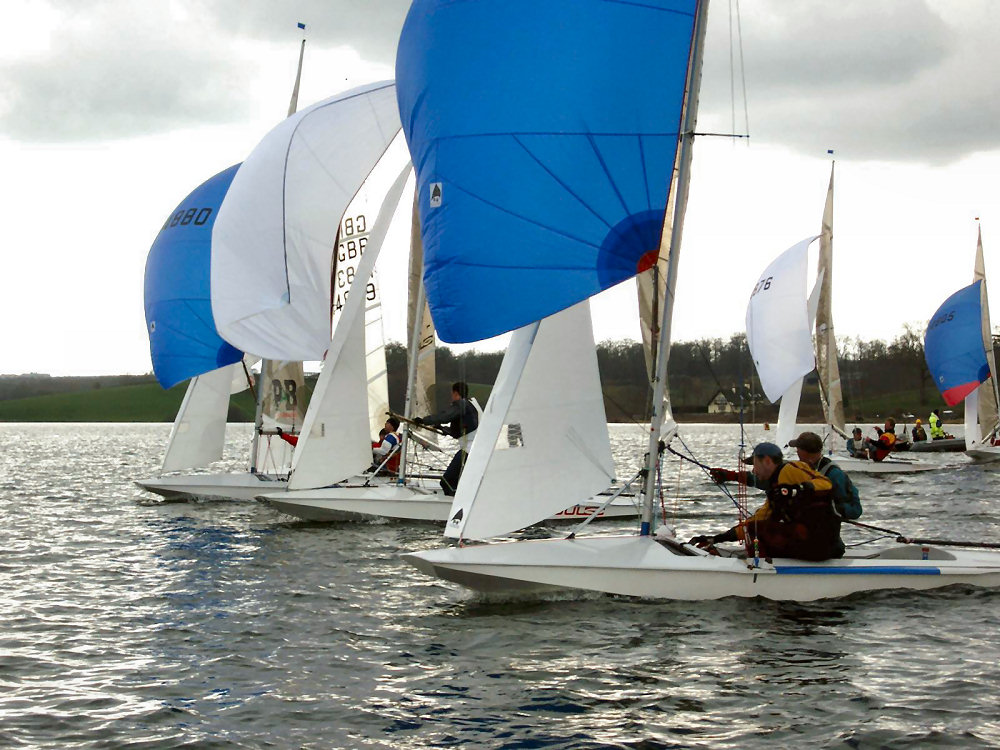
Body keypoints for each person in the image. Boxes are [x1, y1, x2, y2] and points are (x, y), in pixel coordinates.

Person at [700, 441, 840, 560]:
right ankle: (759, 564)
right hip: (807, 544)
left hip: (821, 543)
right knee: (755, 527)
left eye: (754, 465)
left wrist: (795, 489)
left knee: (755, 530)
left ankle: (758, 571)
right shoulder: (775, 491)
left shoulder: (790, 469)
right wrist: (716, 538)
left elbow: (826, 484)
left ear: (767, 461)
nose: (754, 471)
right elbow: (756, 520)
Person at [788, 431, 863, 557]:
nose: (796, 451)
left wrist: (831, 508)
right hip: (804, 537)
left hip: (828, 544)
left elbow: (856, 510)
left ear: (806, 453)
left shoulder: (834, 474)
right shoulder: (802, 470)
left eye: (798, 449)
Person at [413, 381, 479, 496]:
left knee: (446, 482)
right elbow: (458, 432)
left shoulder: (461, 404)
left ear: (455, 393)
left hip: (468, 449)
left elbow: (445, 416)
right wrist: (442, 428)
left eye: (452, 394)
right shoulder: (470, 405)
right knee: (455, 481)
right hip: (473, 449)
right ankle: (459, 500)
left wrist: (424, 420)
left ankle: (454, 505)